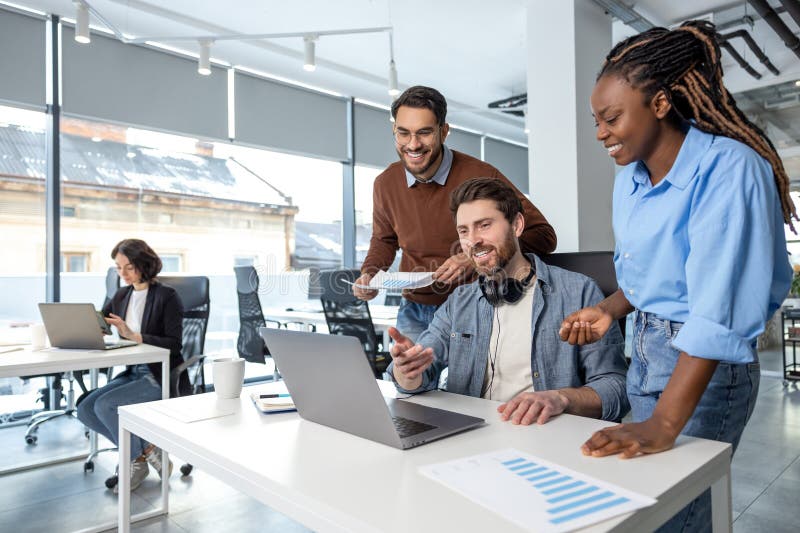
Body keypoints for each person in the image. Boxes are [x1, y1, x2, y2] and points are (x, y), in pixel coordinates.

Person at [559, 21, 793, 532]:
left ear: (661, 103)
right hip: (643, 352)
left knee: (674, 520)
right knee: (652, 514)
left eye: (612, 117)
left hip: (703, 365)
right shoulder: (630, 182)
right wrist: (609, 309)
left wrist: (664, 423)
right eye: (596, 120)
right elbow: (647, 280)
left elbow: (715, 312)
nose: (601, 132)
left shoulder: (731, 170)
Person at [388, 177, 629, 424]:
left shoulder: (579, 292)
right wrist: (407, 370)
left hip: (543, 435)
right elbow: (420, 374)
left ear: (517, 225)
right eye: (464, 231)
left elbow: (616, 389)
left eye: (484, 225)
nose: (473, 240)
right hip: (469, 437)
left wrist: (561, 398)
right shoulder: (460, 301)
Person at [354, 86, 556, 341]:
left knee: (470, 382)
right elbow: (383, 239)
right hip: (413, 309)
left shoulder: (482, 176)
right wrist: (370, 273)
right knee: (410, 380)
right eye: (403, 133)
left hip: (474, 304)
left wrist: (473, 259)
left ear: (444, 131)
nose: (413, 144)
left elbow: (544, 236)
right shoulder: (385, 183)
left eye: (424, 133)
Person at [77, 239, 188, 493]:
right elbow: (102, 322)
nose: (122, 274)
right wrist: (91, 328)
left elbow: (175, 343)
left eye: (128, 267)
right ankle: (145, 453)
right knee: (85, 408)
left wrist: (135, 336)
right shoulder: (121, 295)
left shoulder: (167, 296)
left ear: (144, 265)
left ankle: (135, 462)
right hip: (132, 371)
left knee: (105, 405)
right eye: (118, 268)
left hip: (158, 374)